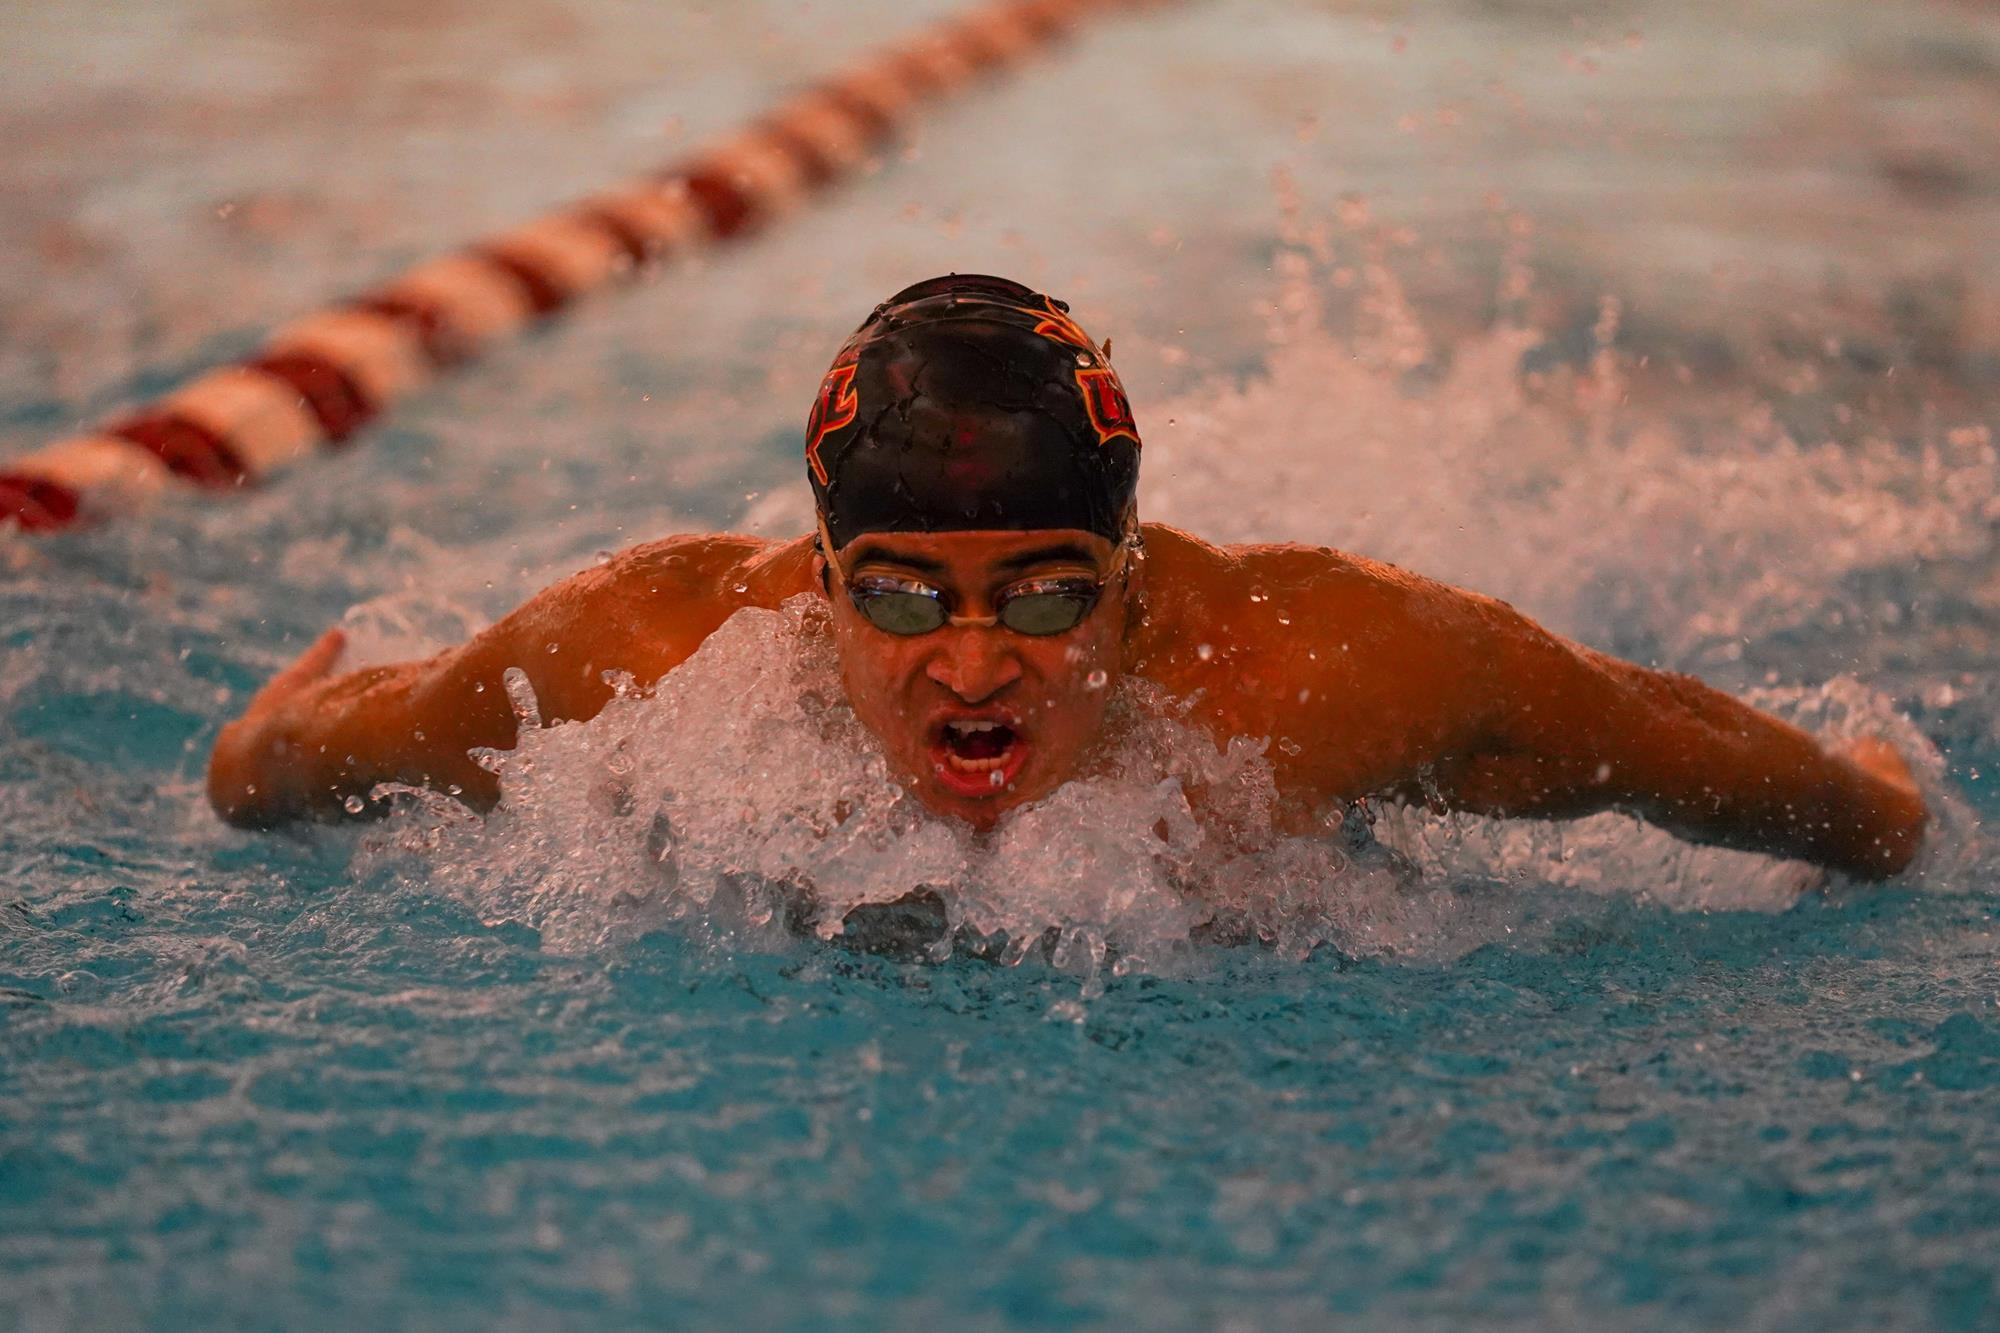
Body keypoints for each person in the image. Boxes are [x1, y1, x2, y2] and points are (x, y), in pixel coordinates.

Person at [208, 273, 1929, 880]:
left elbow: (1664, 741)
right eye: (900, 596)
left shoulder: (1323, 669)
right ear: (818, 582)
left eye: (1039, 596)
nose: (970, 668)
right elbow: (360, 741)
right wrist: (256, 755)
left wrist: (1874, 807)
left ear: (1128, 583)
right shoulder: (650, 650)